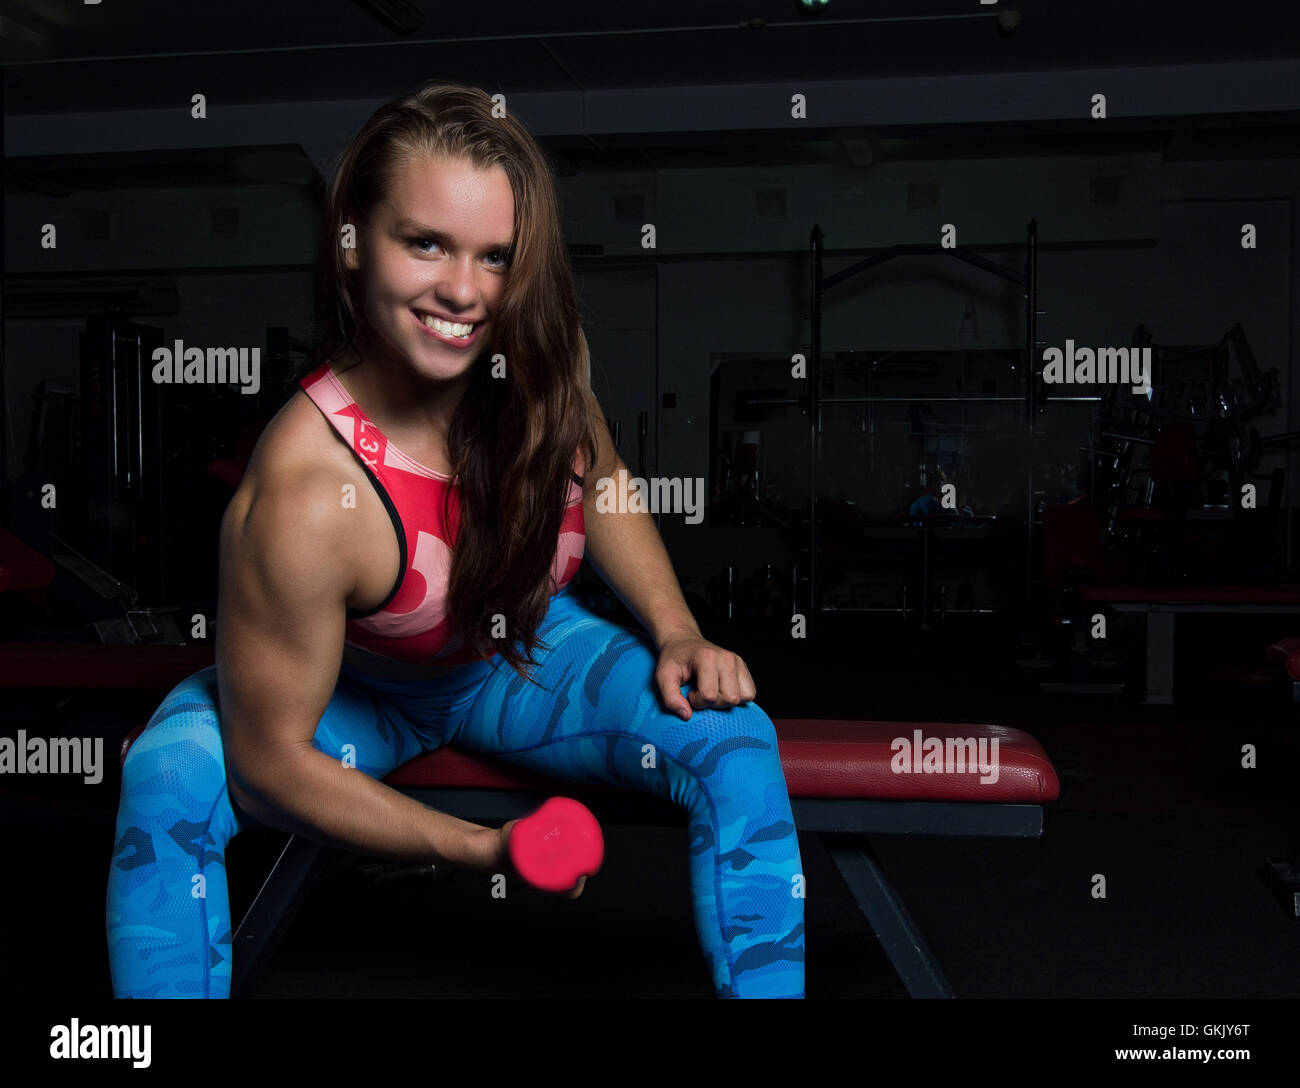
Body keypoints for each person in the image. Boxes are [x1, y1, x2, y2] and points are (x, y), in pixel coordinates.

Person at [106, 82, 805, 999]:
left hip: (519, 661)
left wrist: (676, 628)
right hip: (364, 691)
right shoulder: (307, 489)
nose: (464, 293)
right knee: (167, 774)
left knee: (734, 734)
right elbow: (272, 768)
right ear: (355, 239)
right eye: (425, 242)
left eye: (495, 257)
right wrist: (486, 846)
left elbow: (603, 483)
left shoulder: (538, 376)